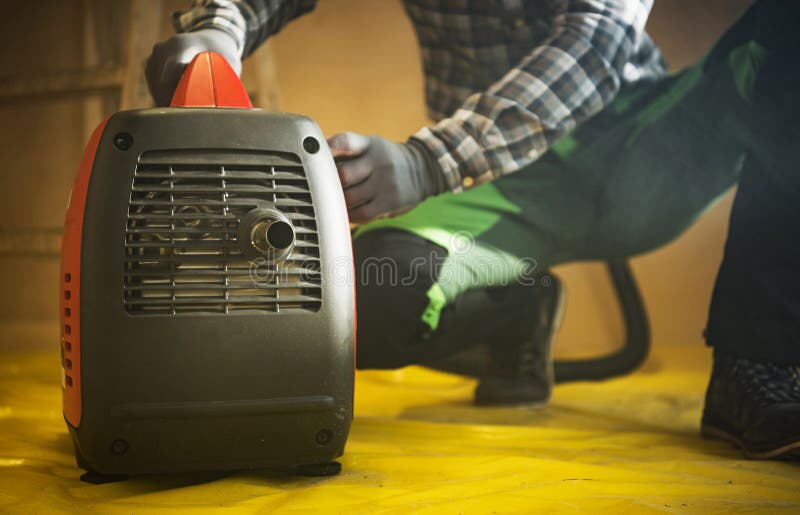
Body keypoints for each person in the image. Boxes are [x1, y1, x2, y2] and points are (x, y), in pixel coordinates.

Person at [146, 0, 800, 460]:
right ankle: (515, 309)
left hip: (645, 142)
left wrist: (429, 160)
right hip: (495, 189)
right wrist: (220, 28)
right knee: (347, 307)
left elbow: (597, 41)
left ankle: (757, 358)